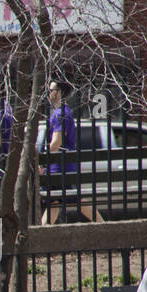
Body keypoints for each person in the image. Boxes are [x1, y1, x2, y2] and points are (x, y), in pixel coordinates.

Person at [40, 80, 102, 225]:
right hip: (60, 167)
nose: (49, 93)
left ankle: (104, 226)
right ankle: (41, 233)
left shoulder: (60, 114)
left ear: (59, 92)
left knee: (73, 200)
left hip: (60, 168)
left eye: (51, 90)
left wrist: (42, 161)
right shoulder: (63, 112)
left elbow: (56, 142)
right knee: (54, 202)